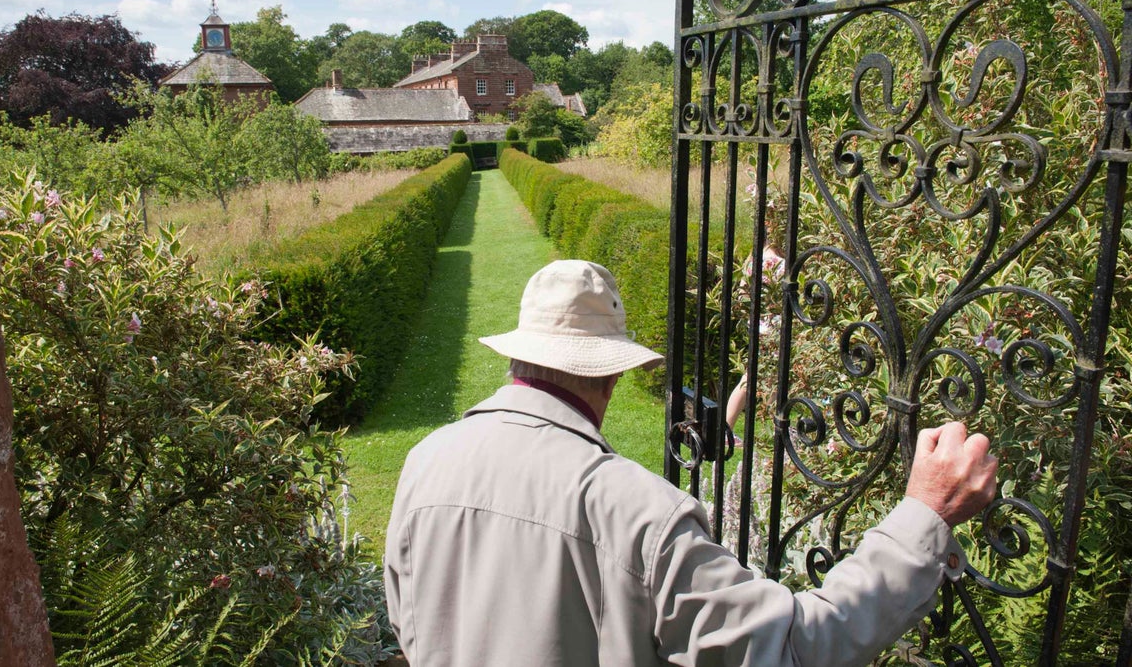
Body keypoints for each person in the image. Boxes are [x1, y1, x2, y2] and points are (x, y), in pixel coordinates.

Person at [384, 259, 997, 666]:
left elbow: (410, 629)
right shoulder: (639, 515)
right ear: (613, 375)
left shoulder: (424, 463)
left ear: (517, 359)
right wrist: (924, 514)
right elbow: (798, 647)